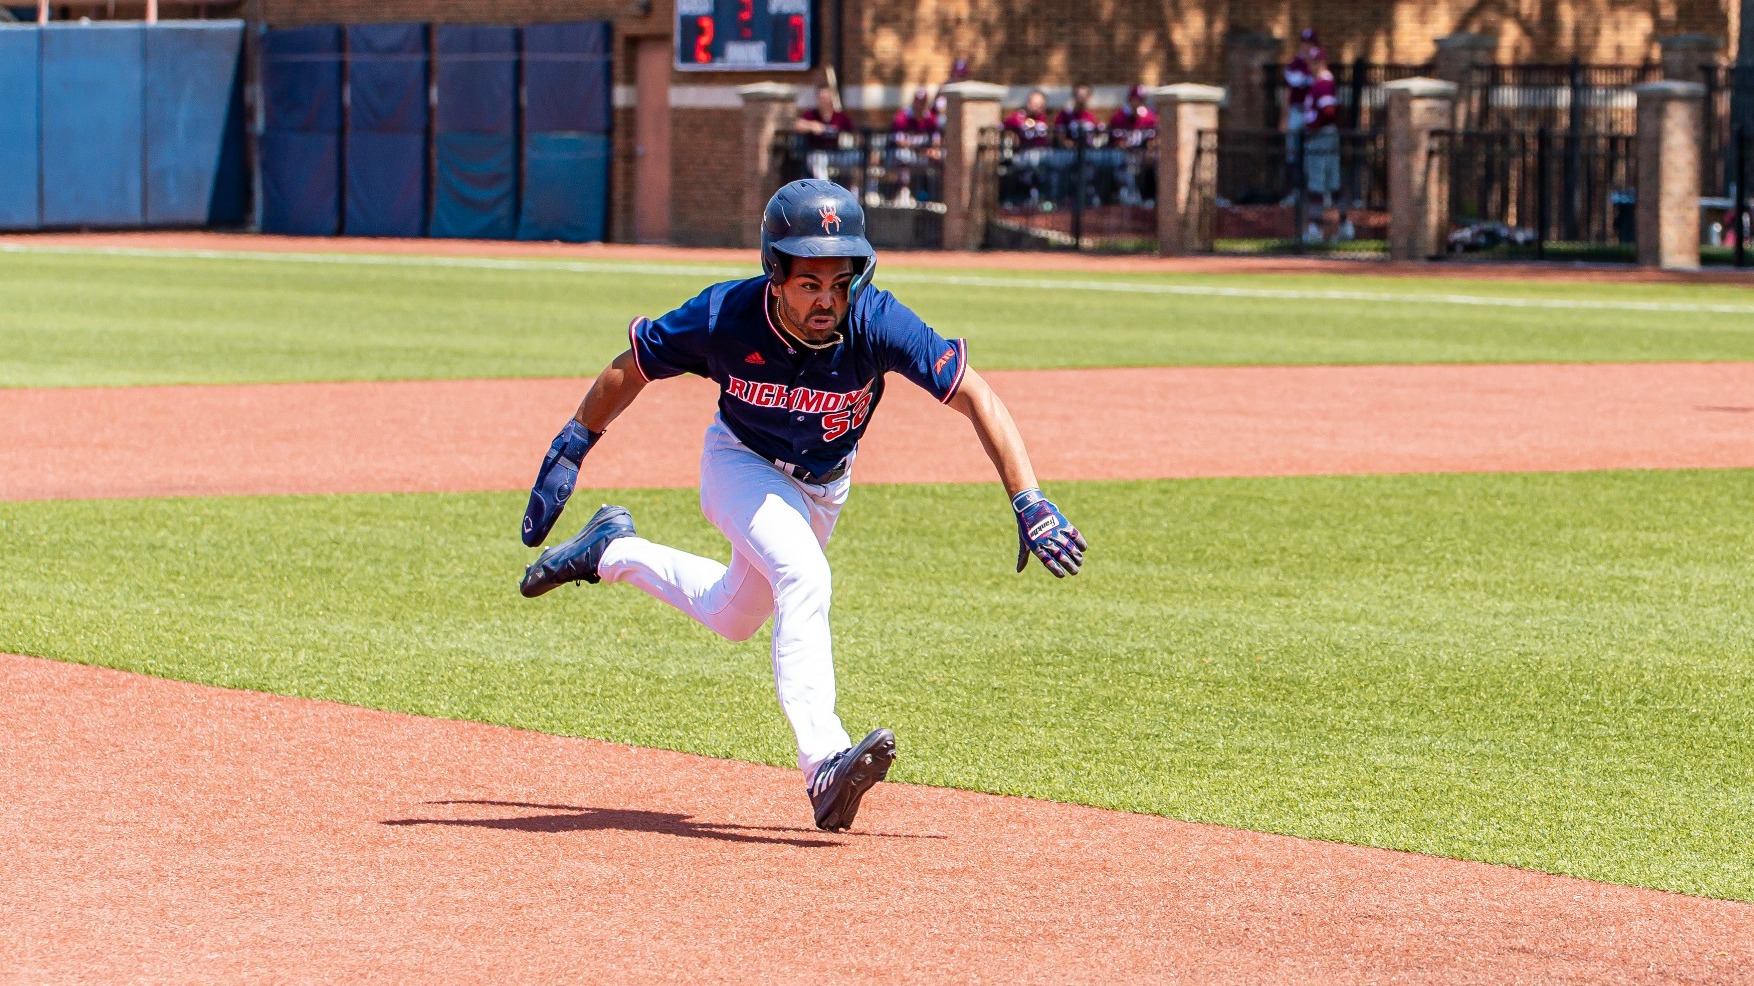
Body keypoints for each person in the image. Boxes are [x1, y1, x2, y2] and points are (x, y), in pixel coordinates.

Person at [516, 180, 1086, 833]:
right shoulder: (723, 316)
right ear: (775, 275)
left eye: (840, 281)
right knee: (804, 578)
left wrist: (1028, 498)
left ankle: (608, 551)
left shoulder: (876, 321)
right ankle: (823, 763)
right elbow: (635, 364)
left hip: (823, 486)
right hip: (740, 465)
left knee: (732, 615)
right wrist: (574, 442)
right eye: (810, 282)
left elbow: (975, 395)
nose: (829, 299)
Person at [1300, 47, 1342, 240]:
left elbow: (1328, 111)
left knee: (1318, 183)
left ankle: (1316, 228)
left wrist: (1314, 128)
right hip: (1325, 136)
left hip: (1321, 137)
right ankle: (1344, 225)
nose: (1309, 66)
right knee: (1332, 182)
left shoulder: (1323, 84)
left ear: (1319, 63)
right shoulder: (1319, 83)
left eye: (1312, 62)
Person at [795, 84, 858, 185]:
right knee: (819, 160)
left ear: (832, 98)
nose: (824, 101)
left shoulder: (840, 117)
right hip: (817, 153)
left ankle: (855, 192)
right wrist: (812, 126)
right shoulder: (811, 115)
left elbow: (855, 134)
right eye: (821, 98)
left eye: (827, 97)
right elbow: (797, 125)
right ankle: (825, 189)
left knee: (858, 157)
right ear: (817, 99)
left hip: (837, 153)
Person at [1106, 84, 1158, 206]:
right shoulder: (1119, 117)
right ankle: (1126, 197)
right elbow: (1118, 142)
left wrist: (1149, 150)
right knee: (1126, 163)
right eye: (1136, 99)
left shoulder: (1149, 117)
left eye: (1141, 100)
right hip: (1125, 154)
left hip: (1143, 154)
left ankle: (1149, 197)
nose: (1138, 103)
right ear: (1130, 100)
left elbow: (1153, 140)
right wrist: (1133, 151)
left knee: (1155, 160)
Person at [888, 88, 942, 205]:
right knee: (903, 155)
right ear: (914, 101)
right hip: (899, 155)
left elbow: (936, 142)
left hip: (923, 154)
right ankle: (904, 191)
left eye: (922, 102)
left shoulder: (930, 118)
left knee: (941, 156)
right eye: (918, 101)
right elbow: (900, 142)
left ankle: (937, 196)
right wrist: (921, 150)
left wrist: (932, 150)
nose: (919, 104)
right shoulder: (903, 116)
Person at [1000, 89, 1054, 205]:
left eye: (1039, 104)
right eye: (1032, 103)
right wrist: (1012, 137)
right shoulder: (1018, 117)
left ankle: (1048, 198)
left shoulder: (1044, 119)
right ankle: (1029, 196)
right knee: (1033, 159)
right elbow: (999, 128)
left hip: (1043, 154)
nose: (1035, 107)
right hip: (1024, 153)